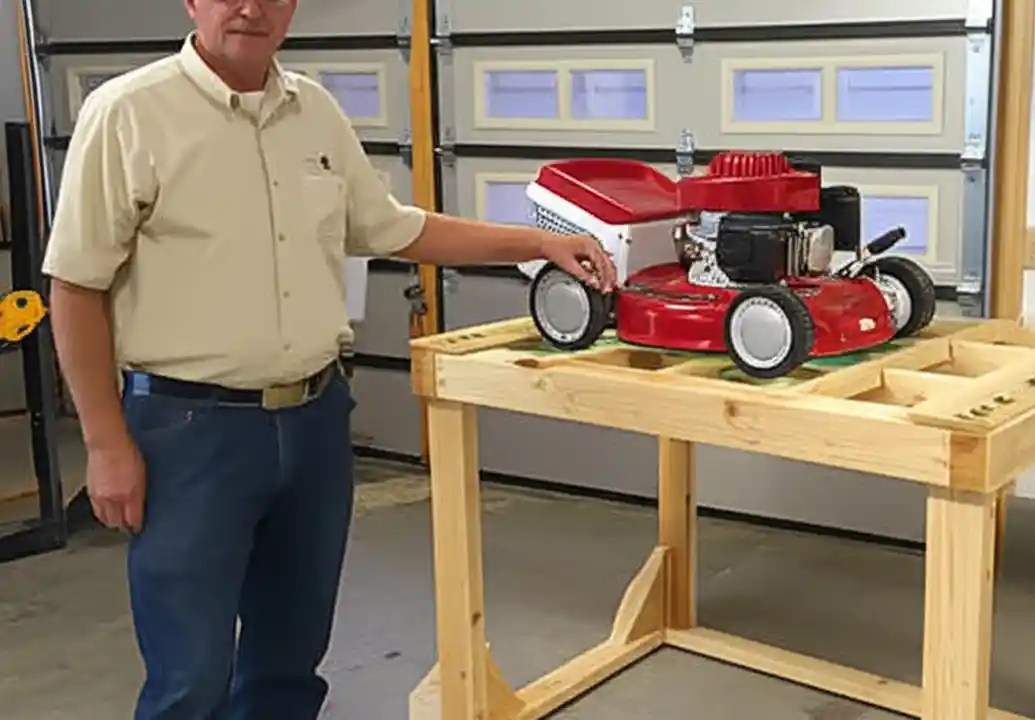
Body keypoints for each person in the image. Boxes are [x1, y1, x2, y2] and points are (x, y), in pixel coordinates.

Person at [40, 0, 616, 718]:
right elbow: (75, 286)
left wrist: (536, 244)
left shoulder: (313, 112)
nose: (250, 8)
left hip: (313, 423)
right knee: (190, 677)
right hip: (187, 433)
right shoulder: (126, 113)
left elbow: (394, 228)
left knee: (290, 663)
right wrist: (103, 442)